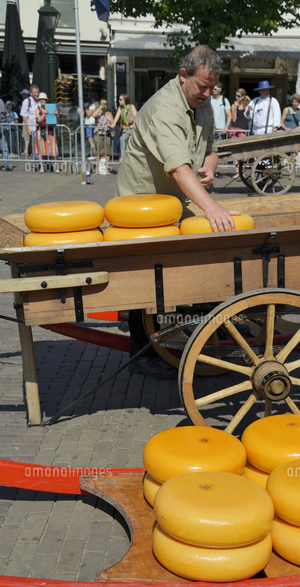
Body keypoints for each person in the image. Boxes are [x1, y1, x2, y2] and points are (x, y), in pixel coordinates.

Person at [116, 45, 241, 379]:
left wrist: (211, 166)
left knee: (197, 261)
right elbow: (178, 167)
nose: (207, 93)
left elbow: (210, 149)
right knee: (146, 278)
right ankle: (141, 353)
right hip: (141, 205)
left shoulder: (203, 104)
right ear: (183, 75)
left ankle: (208, 326)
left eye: (213, 88)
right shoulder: (164, 108)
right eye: (202, 86)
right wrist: (211, 205)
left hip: (176, 202)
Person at [35, 92, 59, 173]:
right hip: (41, 131)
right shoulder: (37, 109)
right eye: (40, 99)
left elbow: (56, 122)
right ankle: (42, 167)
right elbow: (39, 120)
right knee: (41, 150)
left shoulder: (51, 108)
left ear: (46, 100)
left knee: (53, 149)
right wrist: (44, 114)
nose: (42, 100)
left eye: (43, 99)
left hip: (50, 131)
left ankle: (55, 167)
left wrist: (56, 115)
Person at [230, 88, 251, 178]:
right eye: (236, 95)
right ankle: (237, 172)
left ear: (243, 96)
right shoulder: (234, 105)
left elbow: (249, 118)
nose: (236, 97)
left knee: (242, 151)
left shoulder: (247, 105)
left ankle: (242, 171)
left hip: (242, 129)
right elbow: (233, 119)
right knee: (234, 151)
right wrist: (235, 108)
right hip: (234, 128)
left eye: (238, 96)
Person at [111, 93, 137, 162]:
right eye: (119, 99)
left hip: (131, 130)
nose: (119, 101)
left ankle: (131, 159)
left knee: (130, 145)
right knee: (122, 139)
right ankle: (122, 157)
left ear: (125, 100)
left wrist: (134, 124)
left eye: (120, 99)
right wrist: (113, 123)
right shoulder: (121, 108)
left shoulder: (131, 106)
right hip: (124, 130)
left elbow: (136, 116)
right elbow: (117, 116)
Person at [281, 93, 300, 167]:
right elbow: (281, 122)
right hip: (286, 133)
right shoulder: (286, 109)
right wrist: (286, 129)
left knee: (294, 154)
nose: (296, 104)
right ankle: (280, 169)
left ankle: (292, 172)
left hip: (294, 134)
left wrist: (294, 130)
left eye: (297, 102)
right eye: (294, 102)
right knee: (282, 153)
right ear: (291, 102)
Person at [20, 85, 40, 170]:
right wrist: (28, 128)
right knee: (35, 147)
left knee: (41, 146)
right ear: (31, 93)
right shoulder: (26, 101)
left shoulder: (40, 101)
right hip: (33, 128)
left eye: (38, 92)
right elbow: (24, 116)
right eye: (35, 93)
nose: (37, 94)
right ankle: (36, 164)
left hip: (41, 127)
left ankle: (42, 163)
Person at [92, 98, 114, 170]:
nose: (105, 105)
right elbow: (93, 115)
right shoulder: (97, 112)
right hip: (98, 134)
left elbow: (113, 124)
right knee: (98, 152)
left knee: (107, 152)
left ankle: (107, 168)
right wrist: (100, 108)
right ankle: (98, 168)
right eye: (103, 104)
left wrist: (109, 125)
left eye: (106, 104)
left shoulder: (109, 114)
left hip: (107, 134)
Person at [19, 88, 31, 156]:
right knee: (26, 136)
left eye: (23, 94)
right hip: (28, 120)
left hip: (26, 120)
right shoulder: (29, 101)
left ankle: (26, 150)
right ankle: (28, 150)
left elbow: (23, 114)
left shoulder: (26, 101)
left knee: (26, 136)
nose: (22, 95)